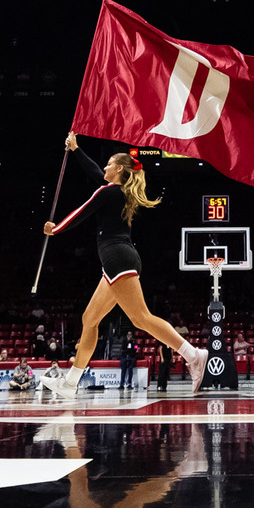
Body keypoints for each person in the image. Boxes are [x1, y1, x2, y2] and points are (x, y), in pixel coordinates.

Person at [39, 133, 208, 398]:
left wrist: (56, 229)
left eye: (109, 164)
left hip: (118, 259)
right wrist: (76, 149)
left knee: (141, 318)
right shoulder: (118, 191)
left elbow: (82, 212)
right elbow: (96, 174)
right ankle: (70, 384)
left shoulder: (107, 193)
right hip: (116, 261)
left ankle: (193, 354)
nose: (104, 167)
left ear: (119, 169)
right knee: (89, 319)